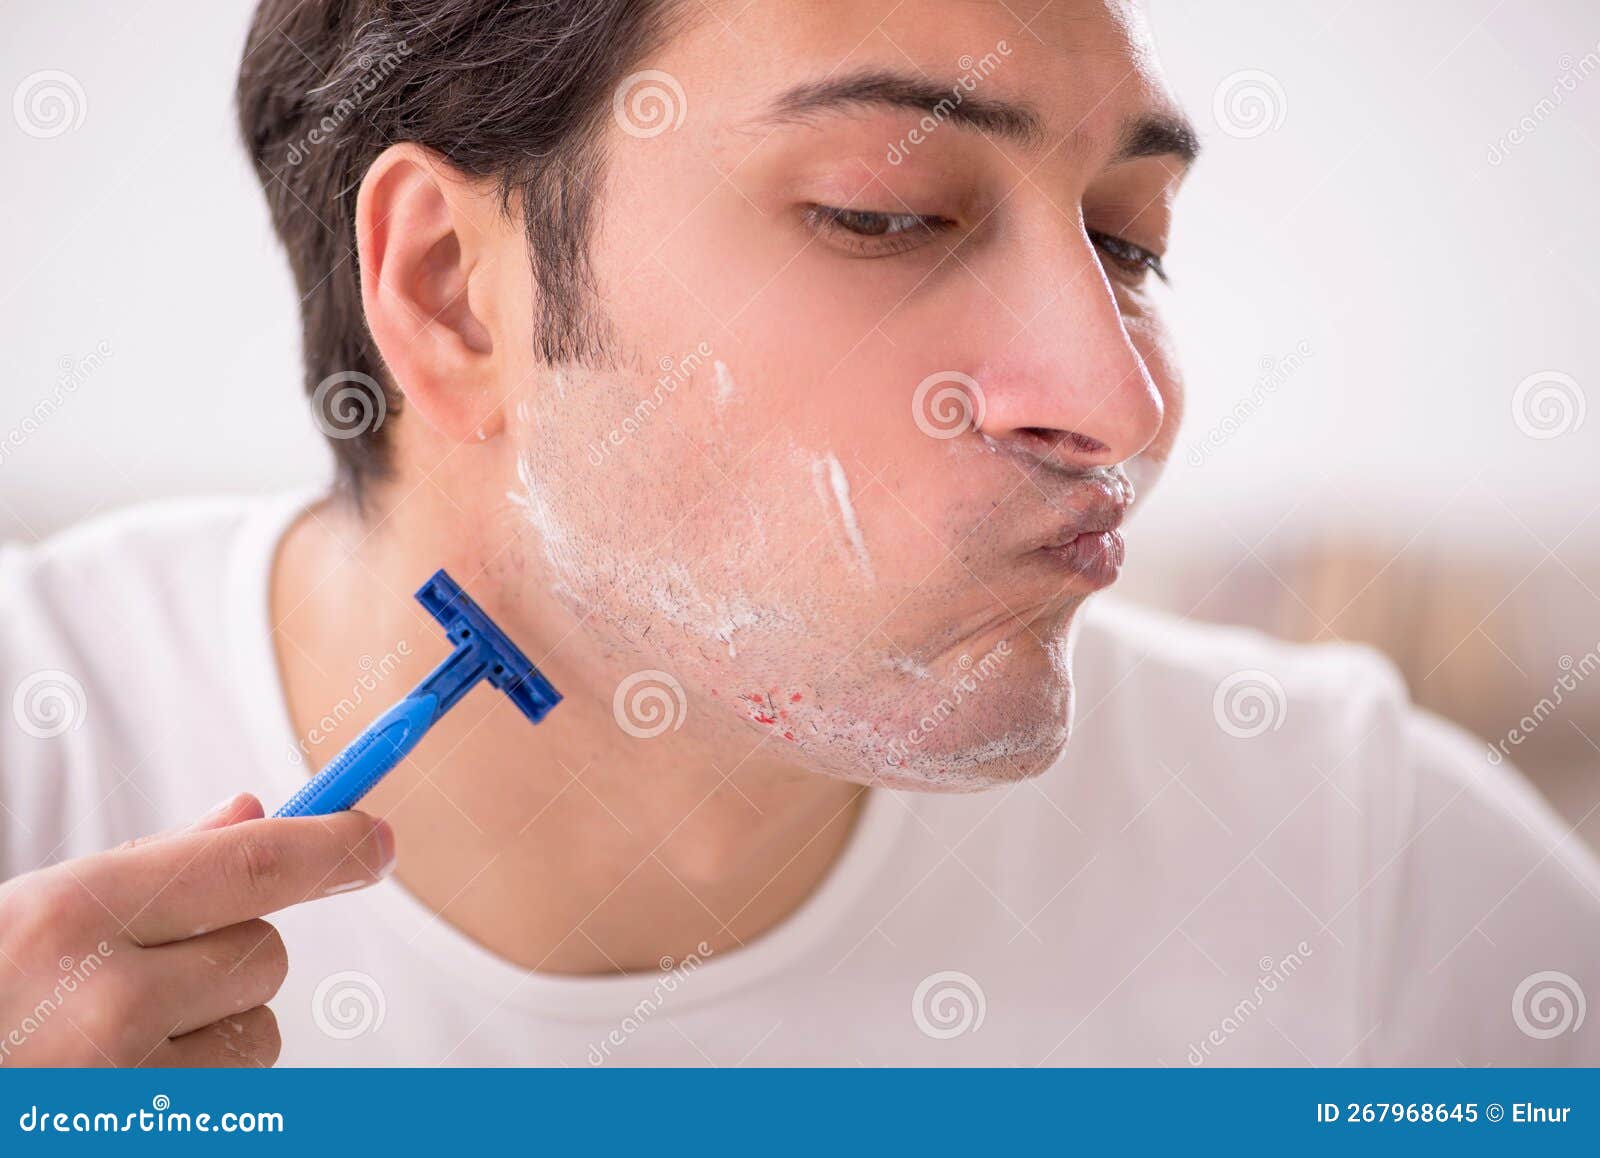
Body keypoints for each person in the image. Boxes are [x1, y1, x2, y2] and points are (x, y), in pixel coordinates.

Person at [1, 0, 1595, 1067]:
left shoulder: (1373, 886)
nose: (1116, 400)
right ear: (448, 291)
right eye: (886, 215)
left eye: (1129, 241)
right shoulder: (35, 764)